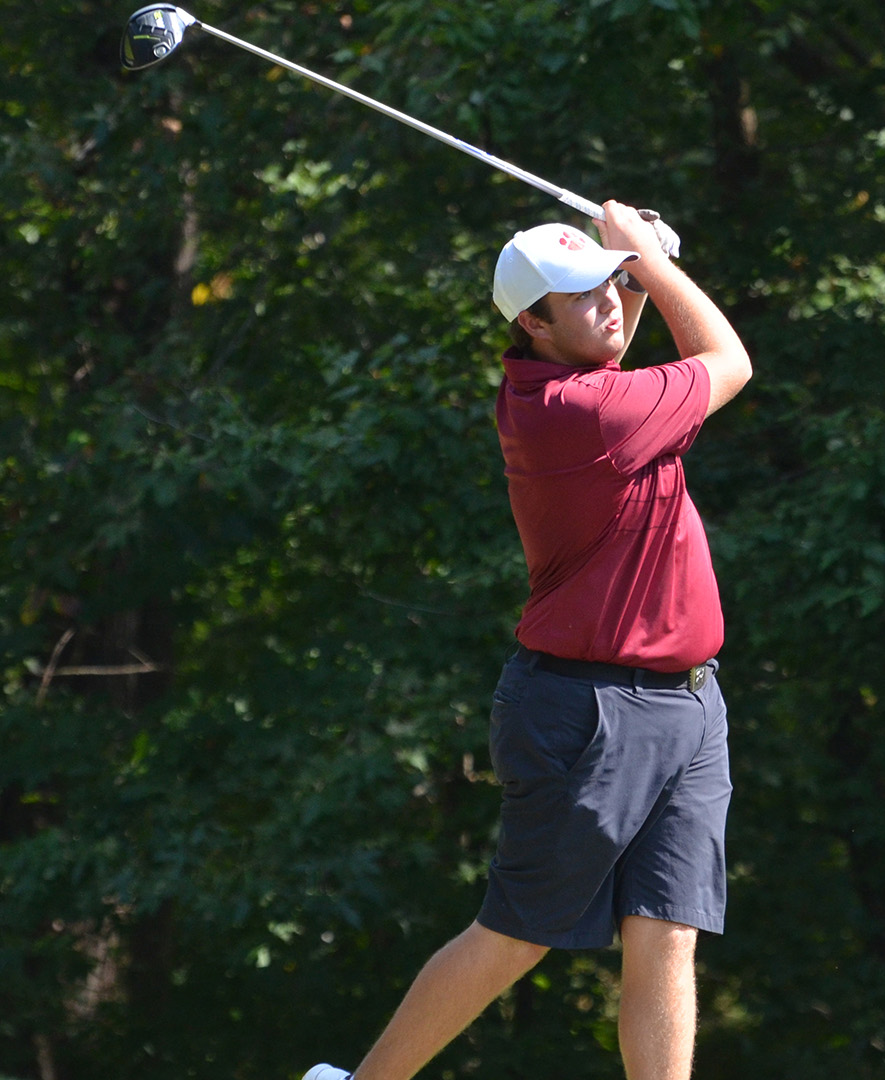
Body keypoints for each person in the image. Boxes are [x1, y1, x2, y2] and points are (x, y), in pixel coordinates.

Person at [304, 201, 751, 1080]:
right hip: (589, 708)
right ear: (533, 324)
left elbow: (656, 342)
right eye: (584, 298)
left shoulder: (596, 388)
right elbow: (730, 361)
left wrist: (635, 261)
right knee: (519, 931)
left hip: (691, 703)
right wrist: (653, 263)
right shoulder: (576, 413)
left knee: (667, 935)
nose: (613, 306)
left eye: (613, 285)